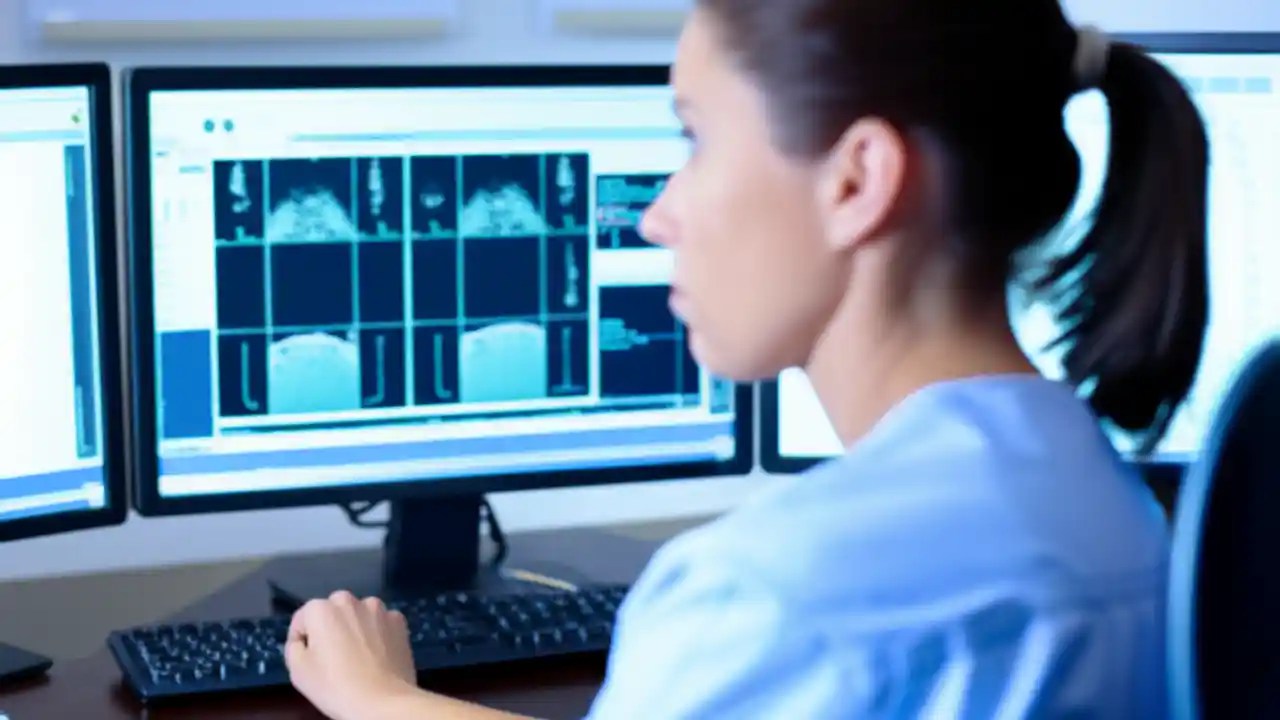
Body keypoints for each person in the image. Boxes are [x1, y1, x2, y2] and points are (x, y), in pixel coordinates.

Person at [282, 0, 1209, 717]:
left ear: (857, 182)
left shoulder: (769, 593)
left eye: (697, 136)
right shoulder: (1115, 508)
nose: (656, 215)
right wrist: (388, 701)